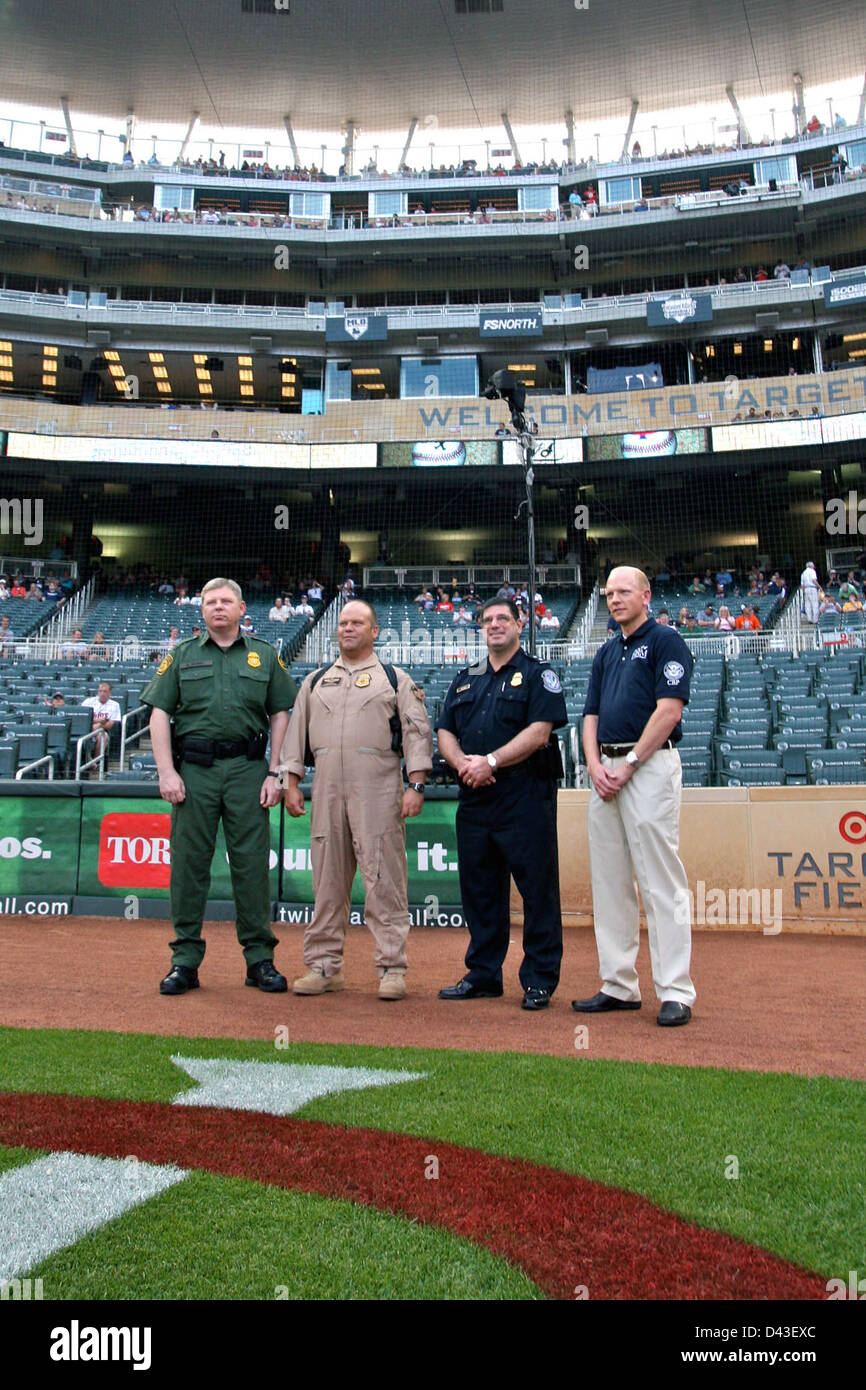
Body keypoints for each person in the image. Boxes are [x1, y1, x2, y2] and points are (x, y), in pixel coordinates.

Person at [142, 578, 297, 996]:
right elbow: (159, 713)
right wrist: (165, 772)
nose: (217, 607)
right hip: (195, 771)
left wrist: (275, 772)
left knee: (250, 865)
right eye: (210, 601)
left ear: (242, 608)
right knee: (189, 866)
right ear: (202, 609)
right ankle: (185, 962)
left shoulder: (264, 655)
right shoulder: (181, 656)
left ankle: (259, 960)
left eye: (226, 600)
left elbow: (282, 712)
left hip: (249, 769)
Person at [279, 599, 433, 1001]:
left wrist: (416, 785)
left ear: (374, 630)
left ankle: (392, 969)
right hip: (327, 792)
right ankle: (324, 967)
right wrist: (291, 782)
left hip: (379, 794)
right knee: (326, 884)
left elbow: (417, 734)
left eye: (358, 623)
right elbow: (296, 737)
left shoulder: (394, 678)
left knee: (384, 882)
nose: (348, 628)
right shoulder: (314, 681)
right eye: (343, 622)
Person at [573, 567, 696, 1027]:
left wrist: (627, 766)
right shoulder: (606, 651)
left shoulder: (666, 640)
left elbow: (669, 711)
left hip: (647, 767)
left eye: (624, 591)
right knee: (610, 883)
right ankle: (618, 985)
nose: (615, 599)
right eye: (609, 593)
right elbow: (590, 715)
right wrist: (594, 765)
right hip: (606, 769)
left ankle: (676, 990)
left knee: (660, 880)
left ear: (646, 595)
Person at [436, 598, 567, 1011]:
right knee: (480, 890)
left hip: (524, 793)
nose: (494, 625)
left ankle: (539, 979)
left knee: (536, 889)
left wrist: (490, 761)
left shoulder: (537, 674)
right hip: (475, 796)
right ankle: (483, 974)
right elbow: (444, 731)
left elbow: (540, 732)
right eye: (487, 620)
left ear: (519, 623)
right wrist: (463, 765)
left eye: (502, 619)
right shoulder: (465, 678)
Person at [82, 681, 122, 754]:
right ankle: (88, 759)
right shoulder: (88, 701)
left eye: (105, 691)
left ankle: (95, 761)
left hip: (101, 731)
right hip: (85, 729)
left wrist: (97, 724)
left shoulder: (115, 705)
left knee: (104, 737)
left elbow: (110, 725)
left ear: (110, 693)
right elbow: (82, 719)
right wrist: (99, 721)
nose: (102, 694)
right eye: (100, 691)